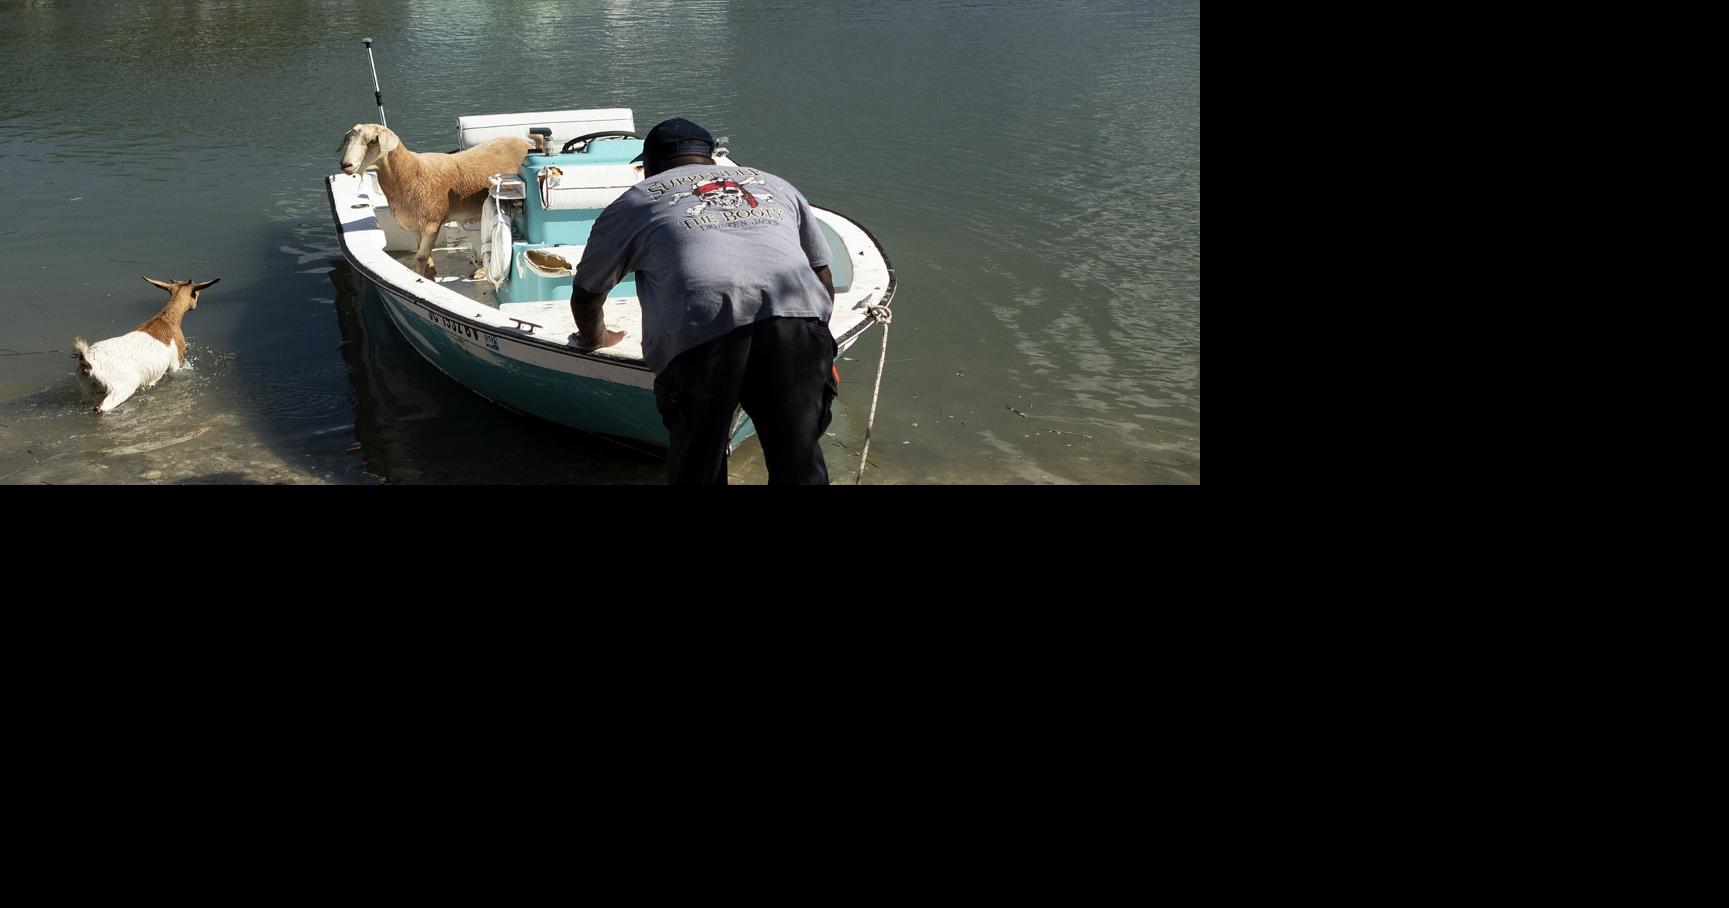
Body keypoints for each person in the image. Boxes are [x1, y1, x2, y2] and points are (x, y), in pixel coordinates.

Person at [569, 117, 838, 485]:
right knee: (799, 462)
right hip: (797, 320)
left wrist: (593, 338)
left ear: (647, 166)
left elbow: (587, 293)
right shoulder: (774, 185)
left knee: (700, 465)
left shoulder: (635, 200)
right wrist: (816, 337)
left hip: (703, 332)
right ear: (711, 159)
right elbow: (821, 274)